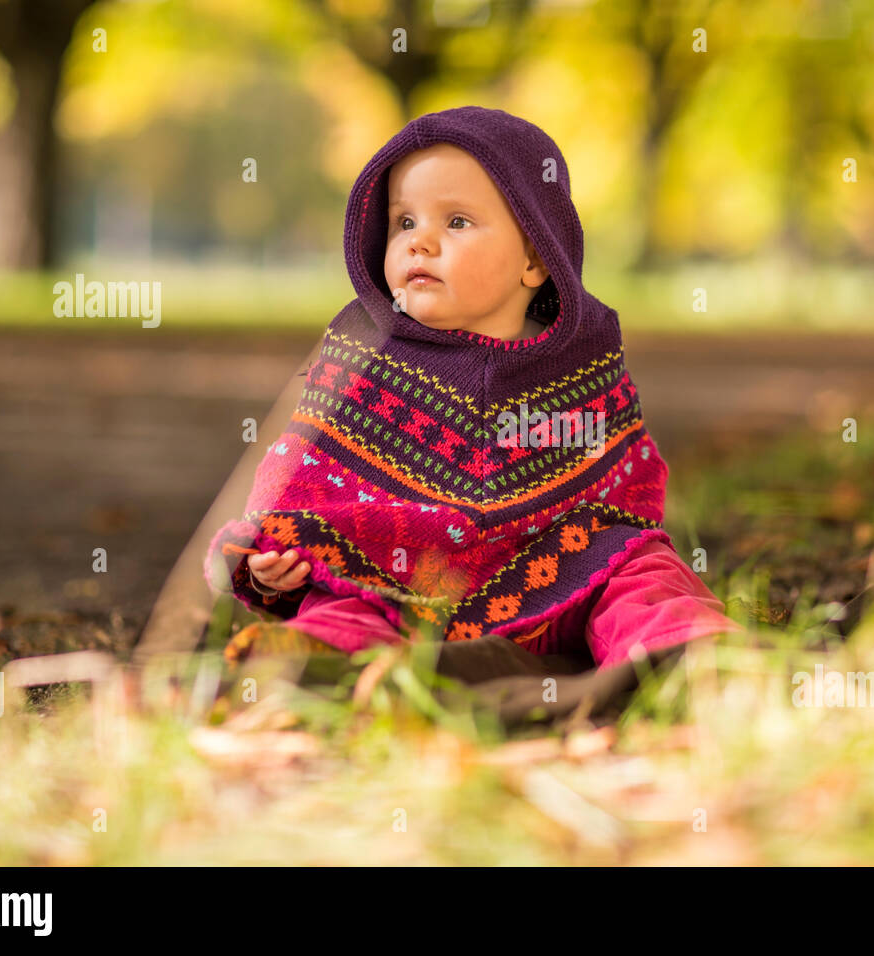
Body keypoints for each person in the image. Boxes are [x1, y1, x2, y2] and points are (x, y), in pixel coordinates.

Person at [204, 106, 740, 723]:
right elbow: (302, 489)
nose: (419, 241)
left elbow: (621, 487)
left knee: (640, 565)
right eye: (404, 221)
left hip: (562, 577)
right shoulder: (363, 355)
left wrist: (610, 545)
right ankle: (321, 666)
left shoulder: (578, 360)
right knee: (346, 609)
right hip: (403, 583)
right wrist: (276, 569)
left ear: (535, 260)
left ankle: (692, 659)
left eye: (456, 221)